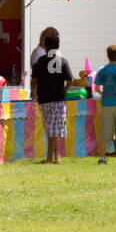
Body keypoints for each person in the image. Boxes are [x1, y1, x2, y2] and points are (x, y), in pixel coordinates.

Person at [32, 30, 73, 163]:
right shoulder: (63, 61)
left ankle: (56, 156)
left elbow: (34, 81)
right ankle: (51, 157)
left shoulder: (40, 61)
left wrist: (33, 92)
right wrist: (65, 90)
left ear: (46, 45)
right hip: (58, 99)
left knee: (50, 128)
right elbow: (70, 81)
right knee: (54, 129)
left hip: (43, 99)